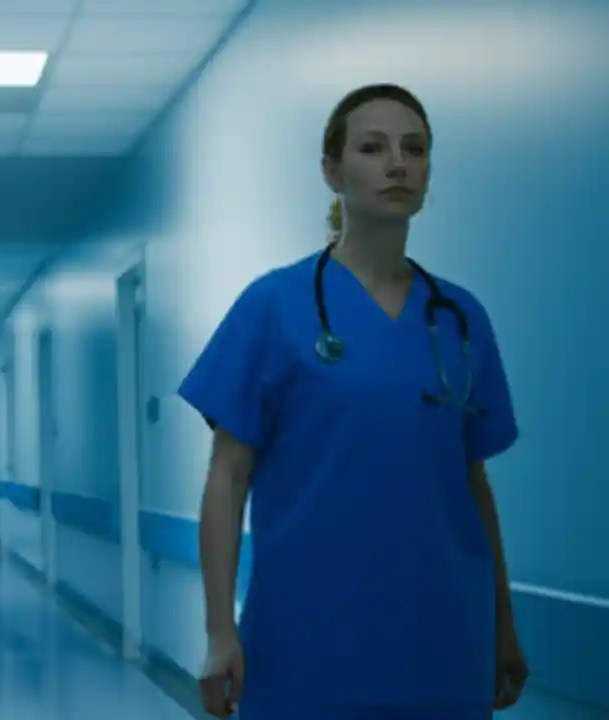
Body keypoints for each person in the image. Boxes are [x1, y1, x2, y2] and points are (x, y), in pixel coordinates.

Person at [178, 84, 530, 720]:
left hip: (446, 638)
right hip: (305, 639)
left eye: (414, 149)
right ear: (332, 171)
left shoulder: (459, 317)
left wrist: (503, 624)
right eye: (373, 148)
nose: (397, 164)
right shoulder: (273, 306)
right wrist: (219, 631)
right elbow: (227, 478)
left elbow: (473, 484)